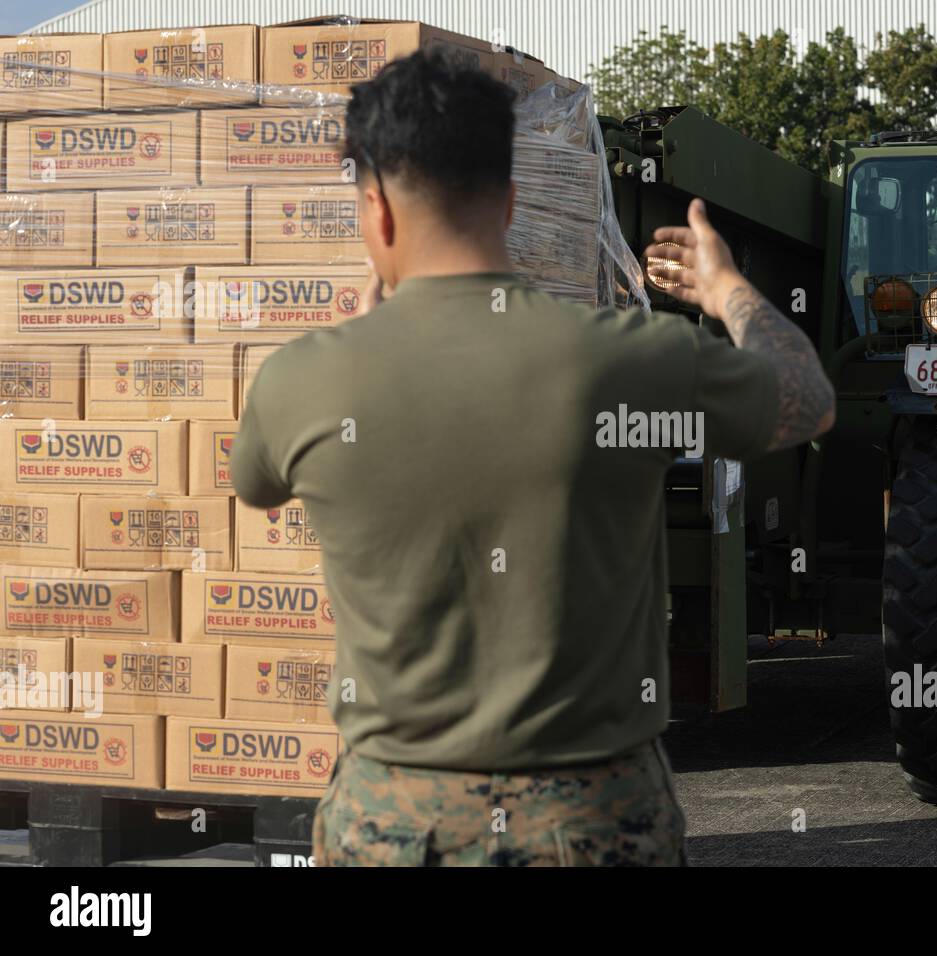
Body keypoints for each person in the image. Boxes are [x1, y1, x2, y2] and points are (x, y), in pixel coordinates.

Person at [229, 46, 835, 867]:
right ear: (511, 202)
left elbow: (257, 482)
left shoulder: (300, 380)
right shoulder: (631, 359)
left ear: (375, 211)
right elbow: (806, 398)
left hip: (393, 825)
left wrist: (361, 343)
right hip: (594, 822)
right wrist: (726, 289)